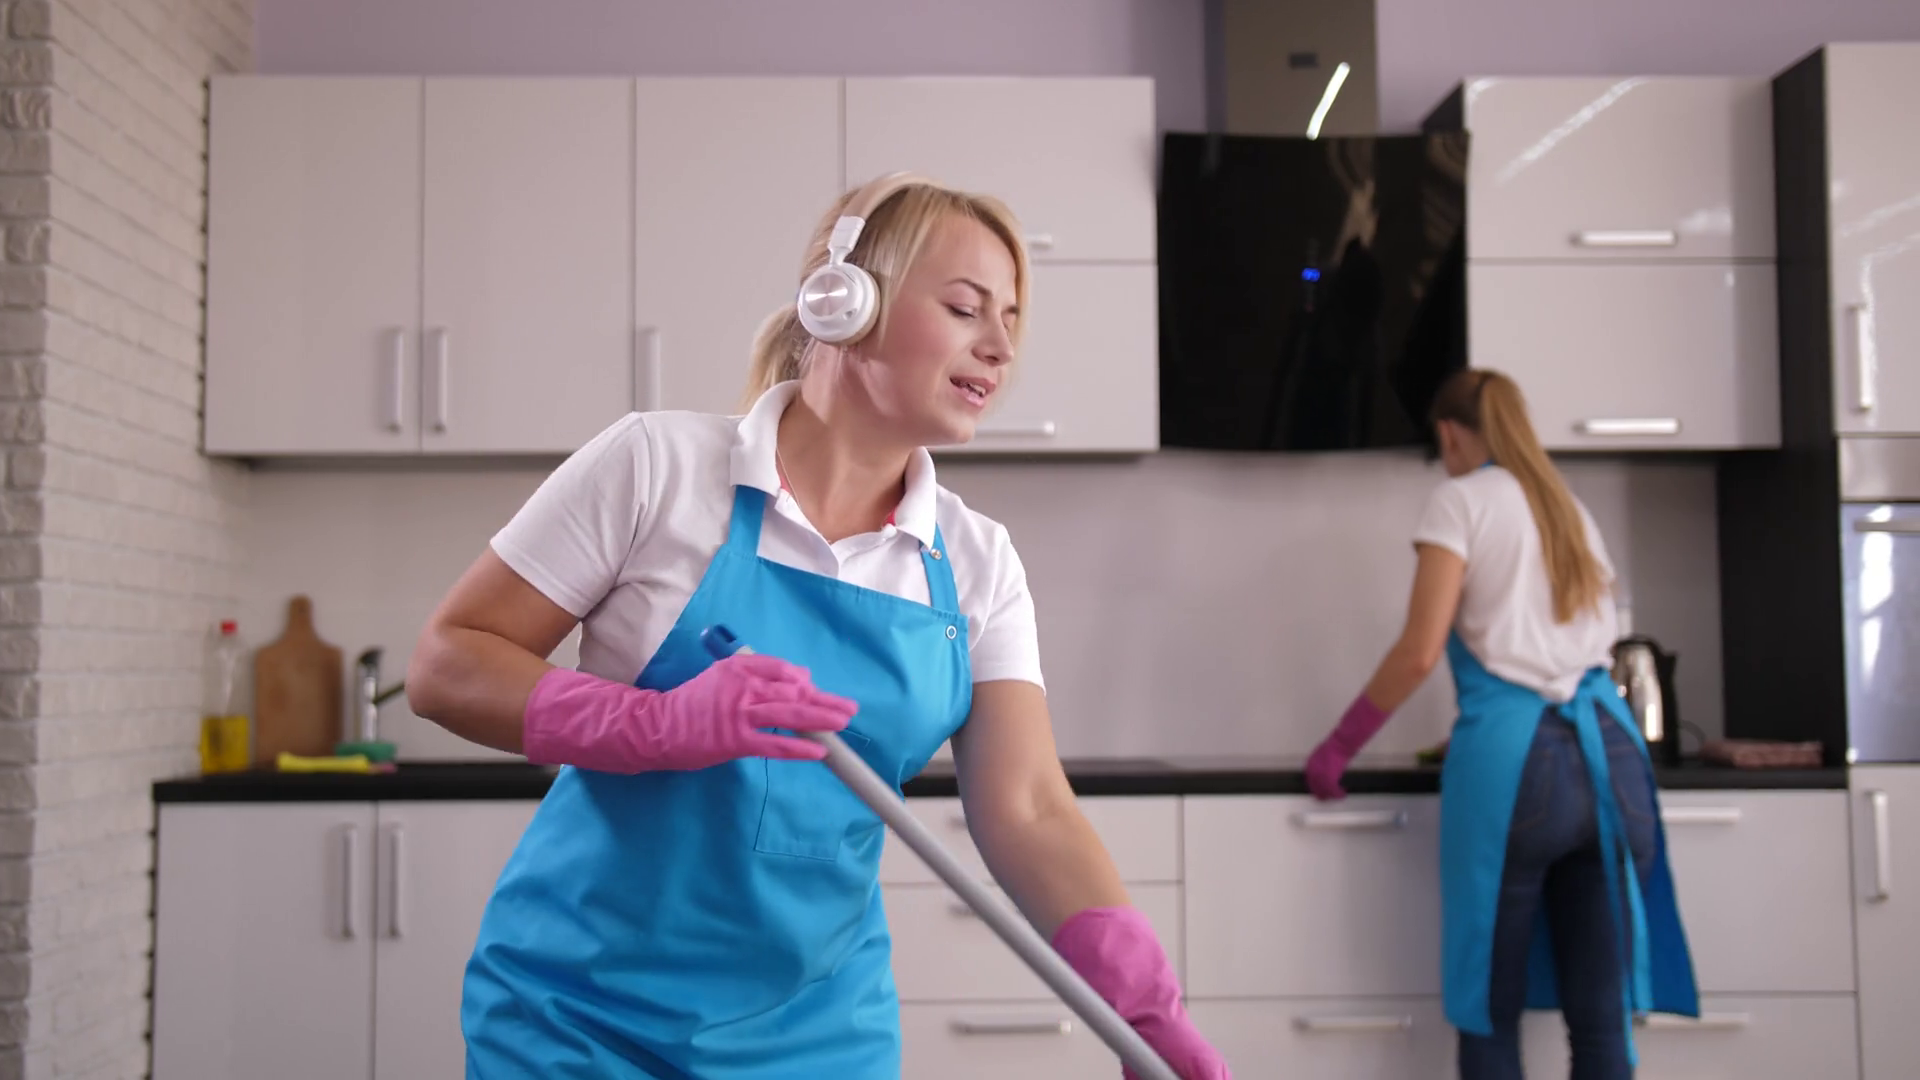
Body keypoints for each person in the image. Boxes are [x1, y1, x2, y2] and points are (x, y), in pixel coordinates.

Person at [406, 172, 1230, 1080]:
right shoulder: (660, 468)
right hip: (581, 1021)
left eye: (1012, 318)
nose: (999, 347)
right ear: (843, 301)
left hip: (820, 1038)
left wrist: (1143, 1005)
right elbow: (449, 664)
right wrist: (652, 724)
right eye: (965, 308)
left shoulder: (976, 562)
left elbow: (1029, 808)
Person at [1302, 368, 1698, 1079]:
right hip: (1613, 758)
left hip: (1519, 769)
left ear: (1451, 433)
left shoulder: (1459, 501)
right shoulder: (1566, 507)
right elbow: (1577, 652)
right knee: (1601, 1021)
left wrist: (1336, 749)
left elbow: (1421, 650)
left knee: (1489, 1008)